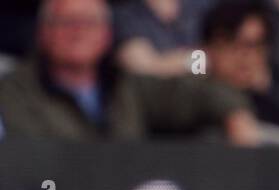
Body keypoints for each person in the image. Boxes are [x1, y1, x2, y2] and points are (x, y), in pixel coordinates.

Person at [0, 0, 256, 142]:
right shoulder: (13, 92)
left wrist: (236, 113)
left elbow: (193, 92)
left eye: (89, 23)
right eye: (66, 22)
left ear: (105, 35)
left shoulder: (125, 85)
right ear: (43, 32)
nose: (78, 31)